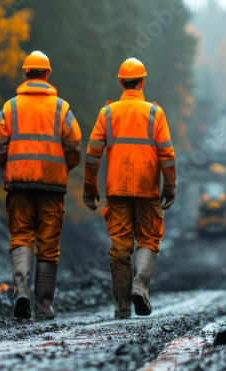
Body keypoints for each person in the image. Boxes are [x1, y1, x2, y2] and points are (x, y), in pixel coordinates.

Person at [0, 51, 82, 320]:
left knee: (21, 238)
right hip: (52, 187)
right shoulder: (61, 108)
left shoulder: (10, 107)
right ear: (47, 74)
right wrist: (65, 167)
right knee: (49, 246)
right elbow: (74, 145)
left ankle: (21, 293)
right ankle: (43, 306)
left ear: (25, 73)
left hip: (19, 185)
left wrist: (8, 165)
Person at [82, 58, 176, 319]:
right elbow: (167, 155)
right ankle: (140, 287)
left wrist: (90, 186)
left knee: (120, 249)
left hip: (117, 188)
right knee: (148, 239)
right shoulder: (156, 113)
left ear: (121, 82)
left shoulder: (107, 113)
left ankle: (122, 306)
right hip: (147, 189)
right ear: (143, 81)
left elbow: (92, 153)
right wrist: (170, 186)